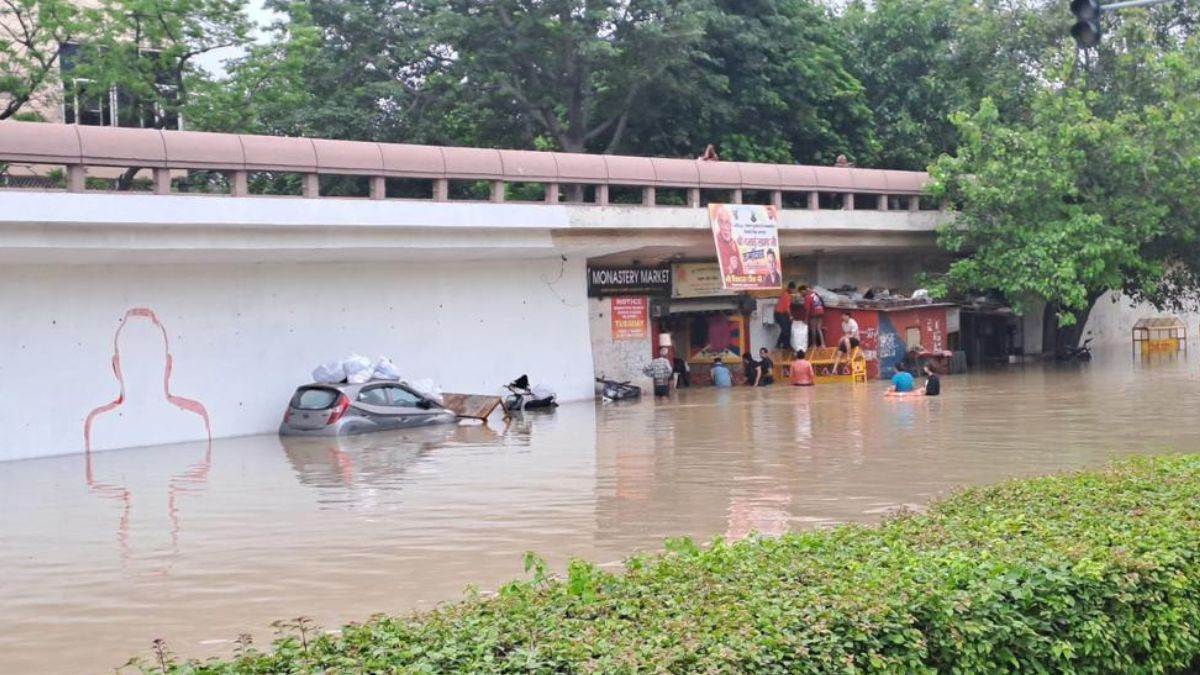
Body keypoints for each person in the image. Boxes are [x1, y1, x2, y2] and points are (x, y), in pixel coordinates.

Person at [774, 282, 795, 351]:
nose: (793, 291)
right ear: (789, 288)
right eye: (792, 289)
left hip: (781, 314)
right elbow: (787, 308)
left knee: (787, 328)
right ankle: (782, 344)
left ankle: (784, 344)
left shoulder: (785, 294)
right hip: (779, 314)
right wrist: (790, 316)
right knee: (786, 330)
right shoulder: (787, 295)